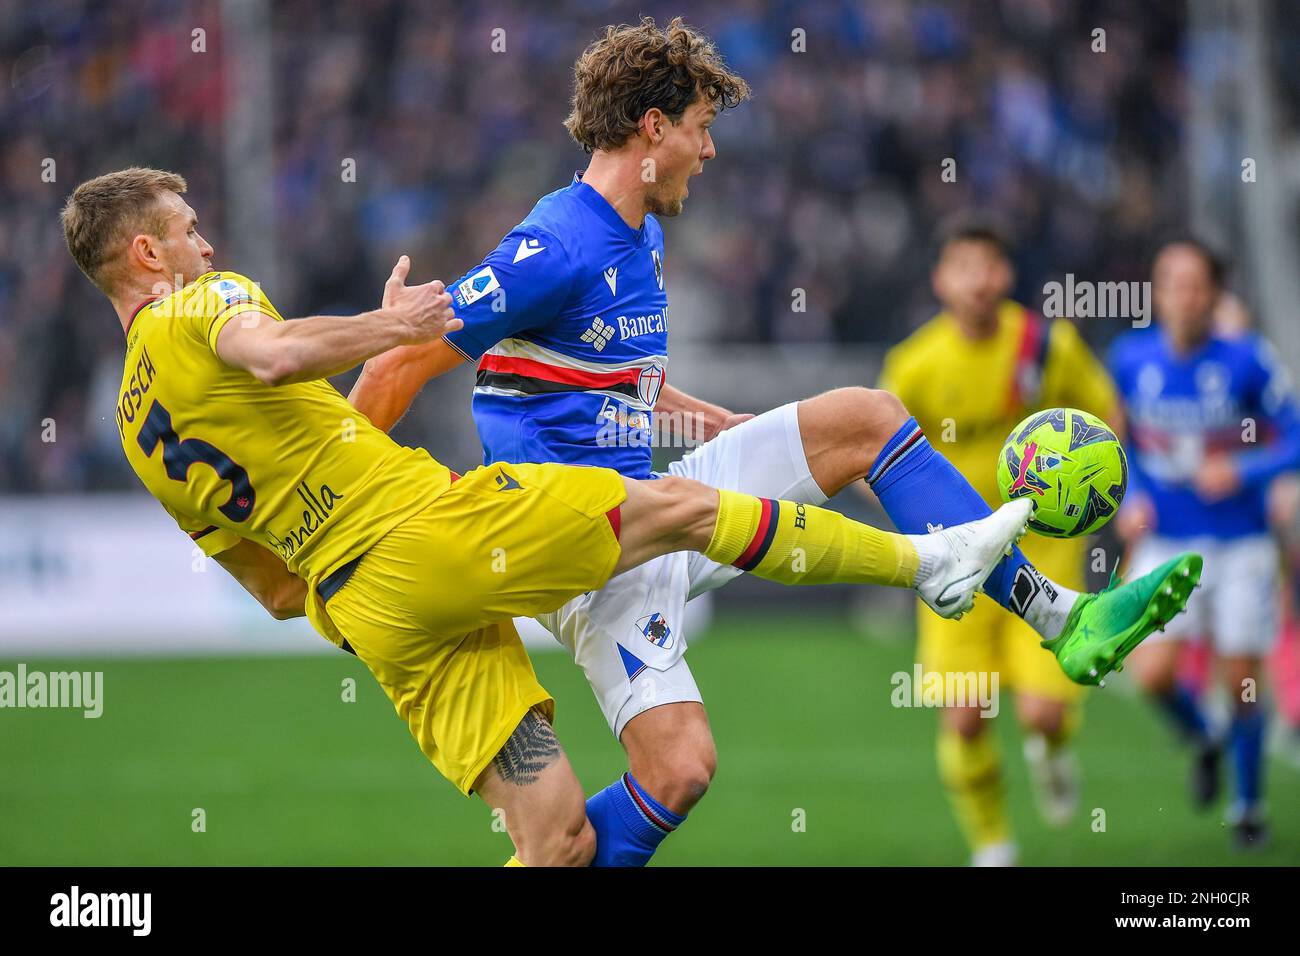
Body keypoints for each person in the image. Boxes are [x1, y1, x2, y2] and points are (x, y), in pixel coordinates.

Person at [348, 16, 1202, 866]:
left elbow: (620, 385)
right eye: (701, 128)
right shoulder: (556, 245)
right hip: (583, 550)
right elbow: (395, 367)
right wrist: (348, 539)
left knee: (865, 422)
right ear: (654, 129)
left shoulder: (639, 233)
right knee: (674, 773)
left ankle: (1062, 618)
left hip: (656, 509)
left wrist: (724, 428)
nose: (709, 153)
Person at [63, 165, 1074, 866]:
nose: (207, 242)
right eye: (188, 230)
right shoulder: (200, 304)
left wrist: (365, 590)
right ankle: (928, 565)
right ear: (146, 253)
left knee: (556, 842)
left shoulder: (137, 427)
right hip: (433, 535)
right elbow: (277, 350)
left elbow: (273, 586)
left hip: (378, 619)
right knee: (671, 504)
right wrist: (394, 322)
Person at [877, 220, 1121, 866]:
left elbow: (1105, 416)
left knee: (1042, 713)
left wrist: (1110, 491)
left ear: (1006, 276)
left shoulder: (1046, 346)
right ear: (940, 280)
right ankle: (993, 845)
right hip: (956, 555)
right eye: (963, 266)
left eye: (989, 266)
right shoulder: (915, 364)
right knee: (965, 718)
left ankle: (1054, 751)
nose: (978, 281)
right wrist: (916, 533)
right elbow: (875, 459)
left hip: (1040, 551)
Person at [1111, 238, 1300, 849]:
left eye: (1196, 284)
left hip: (1241, 542)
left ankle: (1248, 809)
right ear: (1157, 291)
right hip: (1166, 538)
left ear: (1214, 294)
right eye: (1171, 282)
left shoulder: (1248, 360)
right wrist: (1131, 496)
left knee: (1241, 677)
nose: (1184, 295)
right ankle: (1202, 737)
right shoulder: (1129, 357)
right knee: (1151, 674)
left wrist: (1242, 472)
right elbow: (1124, 442)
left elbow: (1295, 438)